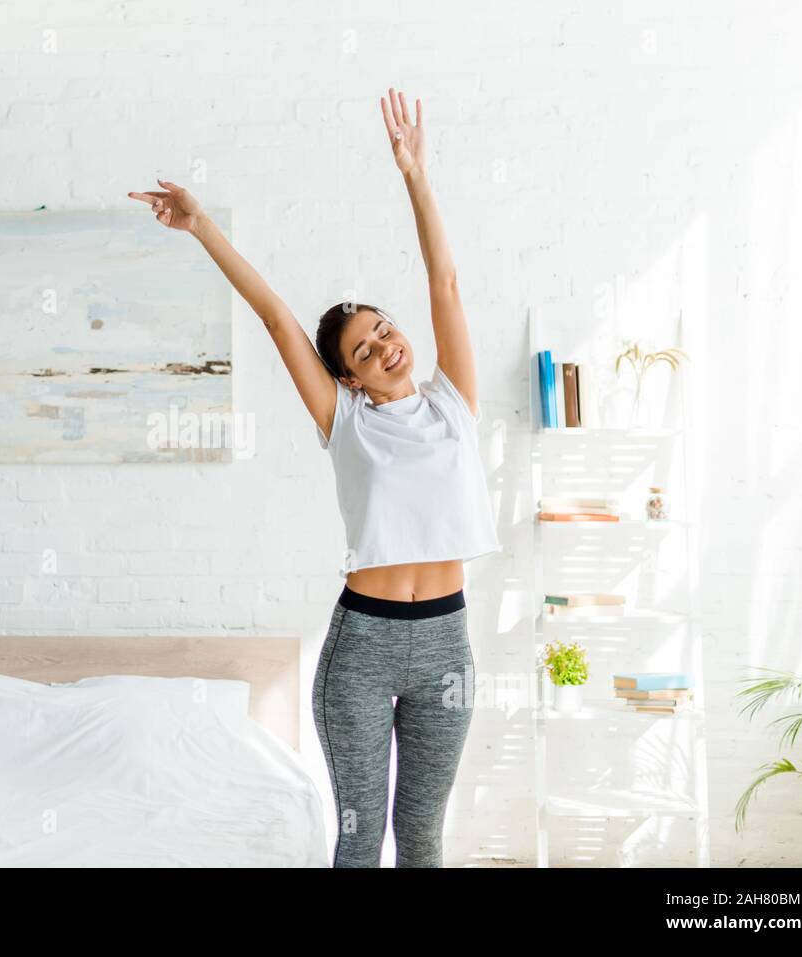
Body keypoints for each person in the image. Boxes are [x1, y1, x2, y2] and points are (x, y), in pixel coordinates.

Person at [129, 88, 500, 867]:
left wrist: (415, 174)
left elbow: (446, 285)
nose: (385, 347)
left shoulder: (454, 405)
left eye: (384, 330)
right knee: (361, 839)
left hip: (446, 647)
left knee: (425, 837)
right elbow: (274, 318)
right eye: (364, 351)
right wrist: (202, 228)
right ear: (352, 380)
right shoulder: (347, 424)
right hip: (361, 649)